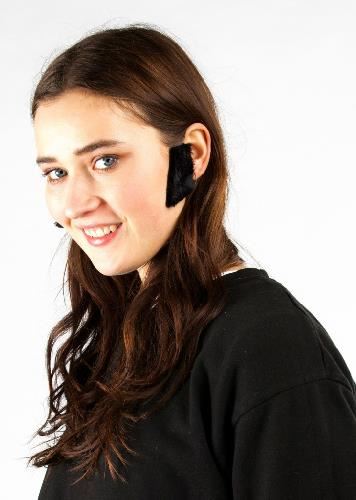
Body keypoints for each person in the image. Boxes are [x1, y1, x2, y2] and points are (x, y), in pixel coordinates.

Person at [27, 23, 356, 499]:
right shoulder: (128, 339)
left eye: (105, 161)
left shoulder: (270, 346)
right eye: (56, 173)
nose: (75, 204)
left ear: (192, 154)